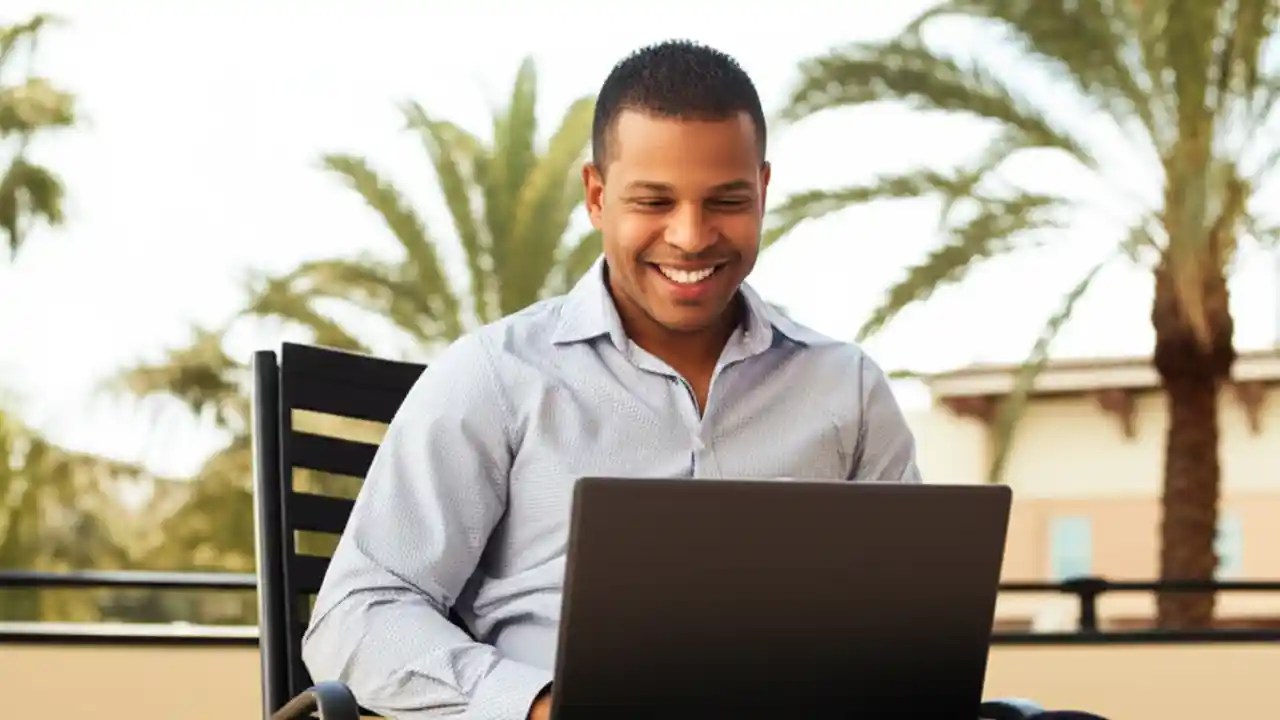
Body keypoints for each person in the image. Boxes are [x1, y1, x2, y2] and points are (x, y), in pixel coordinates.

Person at [301, 39, 923, 719]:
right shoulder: (496, 377)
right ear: (597, 196)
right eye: (654, 201)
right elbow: (358, 613)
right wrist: (536, 706)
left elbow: (908, 626)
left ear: (763, 191)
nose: (690, 236)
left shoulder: (848, 389)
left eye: (726, 200)